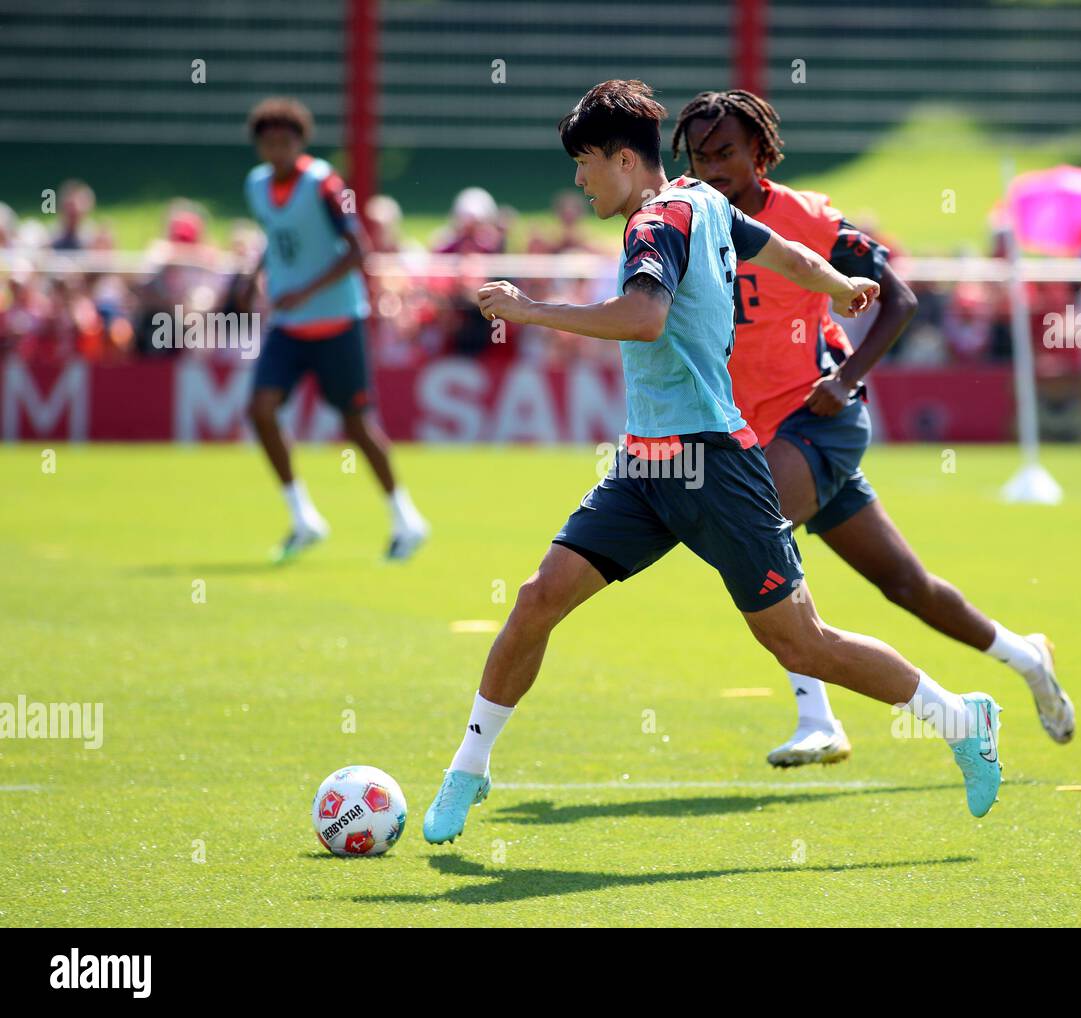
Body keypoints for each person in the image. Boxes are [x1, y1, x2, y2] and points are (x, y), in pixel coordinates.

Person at [423, 80, 1004, 845]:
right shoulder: (701, 198)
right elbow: (788, 252)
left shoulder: (656, 222)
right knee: (539, 597)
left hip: (716, 464)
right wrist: (841, 285)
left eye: (585, 164)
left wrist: (529, 309)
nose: (579, 179)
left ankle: (961, 719)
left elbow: (644, 315)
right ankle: (468, 769)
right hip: (646, 466)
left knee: (802, 643)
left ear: (625, 161)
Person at [671, 90, 1074, 766]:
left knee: (756, 527)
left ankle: (818, 718)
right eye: (700, 155)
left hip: (817, 418)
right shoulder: (684, 213)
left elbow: (901, 297)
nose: (712, 168)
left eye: (726, 154)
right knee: (909, 587)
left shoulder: (806, 217)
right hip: (756, 433)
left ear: (760, 154)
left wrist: (847, 378)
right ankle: (1027, 657)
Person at [238, 97, 428, 562]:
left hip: (338, 321)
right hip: (289, 325)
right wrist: (252, 275)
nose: (277, 150)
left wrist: (303, 289)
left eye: (286, 141)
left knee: (357, 425)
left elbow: (356, 249)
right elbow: (277, 237)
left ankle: (407, 518)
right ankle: (303, 517)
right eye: (269, 142)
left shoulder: (325, 183)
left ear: (300, 142)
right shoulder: (257, 185)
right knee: (261, 409)